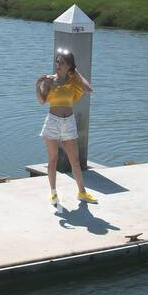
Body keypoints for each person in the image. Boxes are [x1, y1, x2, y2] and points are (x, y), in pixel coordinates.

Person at [35, 49, 96, 209]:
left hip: (68, 122)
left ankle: (82, 192)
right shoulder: (50, 81)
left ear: (69, 66)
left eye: (62, 62)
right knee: (53, 160)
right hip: (52, 122)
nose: (58, 65)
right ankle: (53, 193)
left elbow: (89, 89)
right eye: (57, 62)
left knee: (74, 161)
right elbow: (42, 101)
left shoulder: (73, 80)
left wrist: (75, 72)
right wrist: (38, 85)